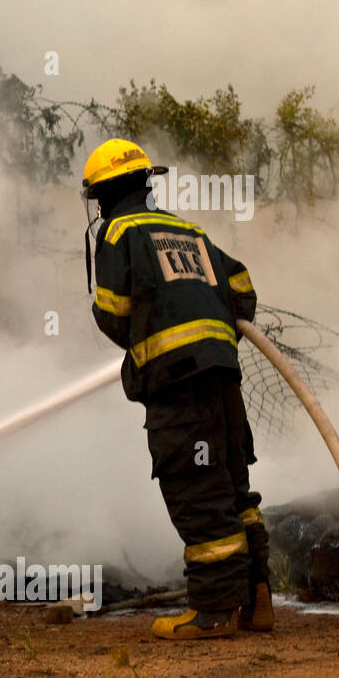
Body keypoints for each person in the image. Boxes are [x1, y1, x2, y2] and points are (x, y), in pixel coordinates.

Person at [84, 139, 272, 639]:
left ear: (100, 196)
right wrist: (215, 332)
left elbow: (113, 314)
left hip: (177, 388)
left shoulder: (117, 233)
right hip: (221, 377)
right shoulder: (187, 230)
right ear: (145, 182)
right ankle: (257, 599)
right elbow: (242, 285)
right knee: (233, 485)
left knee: (195, 489)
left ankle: (212, 611)